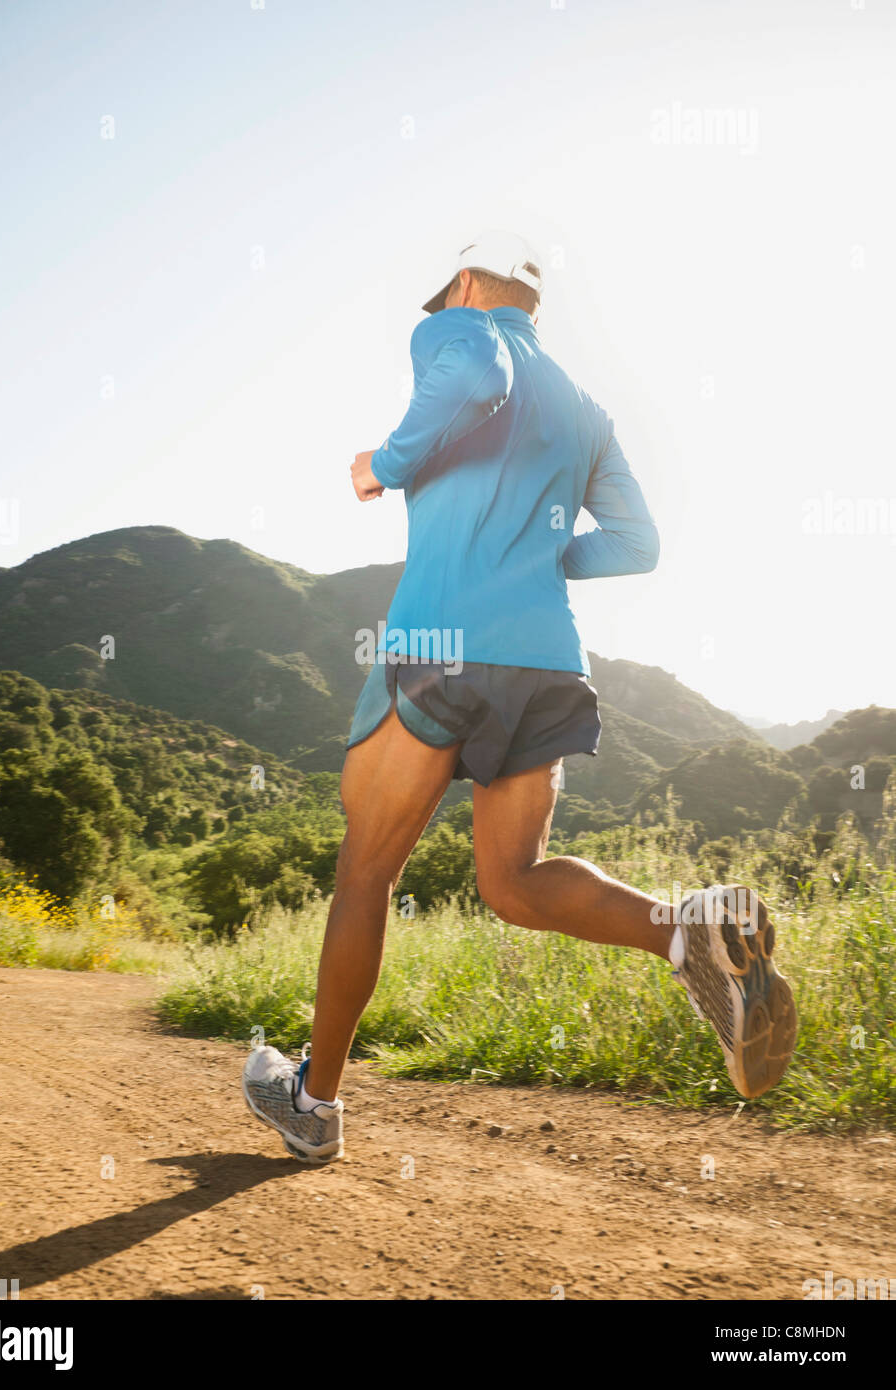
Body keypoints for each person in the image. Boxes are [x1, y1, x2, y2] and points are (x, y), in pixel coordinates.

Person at [242, 230, 797, 1163]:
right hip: (546, 663)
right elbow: (637, 543)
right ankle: (686, 933)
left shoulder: (459, 332)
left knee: (366, 871)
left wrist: (390, 460)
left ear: (465, 284)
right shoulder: (587, 410)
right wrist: (539, 562)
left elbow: (476, 375)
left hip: (437, 646)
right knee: (514, 882)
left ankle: (317, 1104)